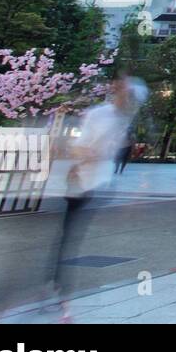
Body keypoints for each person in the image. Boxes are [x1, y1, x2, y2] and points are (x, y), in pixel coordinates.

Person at [54, 77, 146, 310]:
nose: (129, 102)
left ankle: (58, 284)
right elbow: (80, 146)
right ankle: (58, 284)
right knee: (68, 233)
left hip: (101, 182)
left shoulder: (123, 119)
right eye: (126, 96)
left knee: (72, 232)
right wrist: (86, 157)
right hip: (83, 178)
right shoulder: (100, 114)